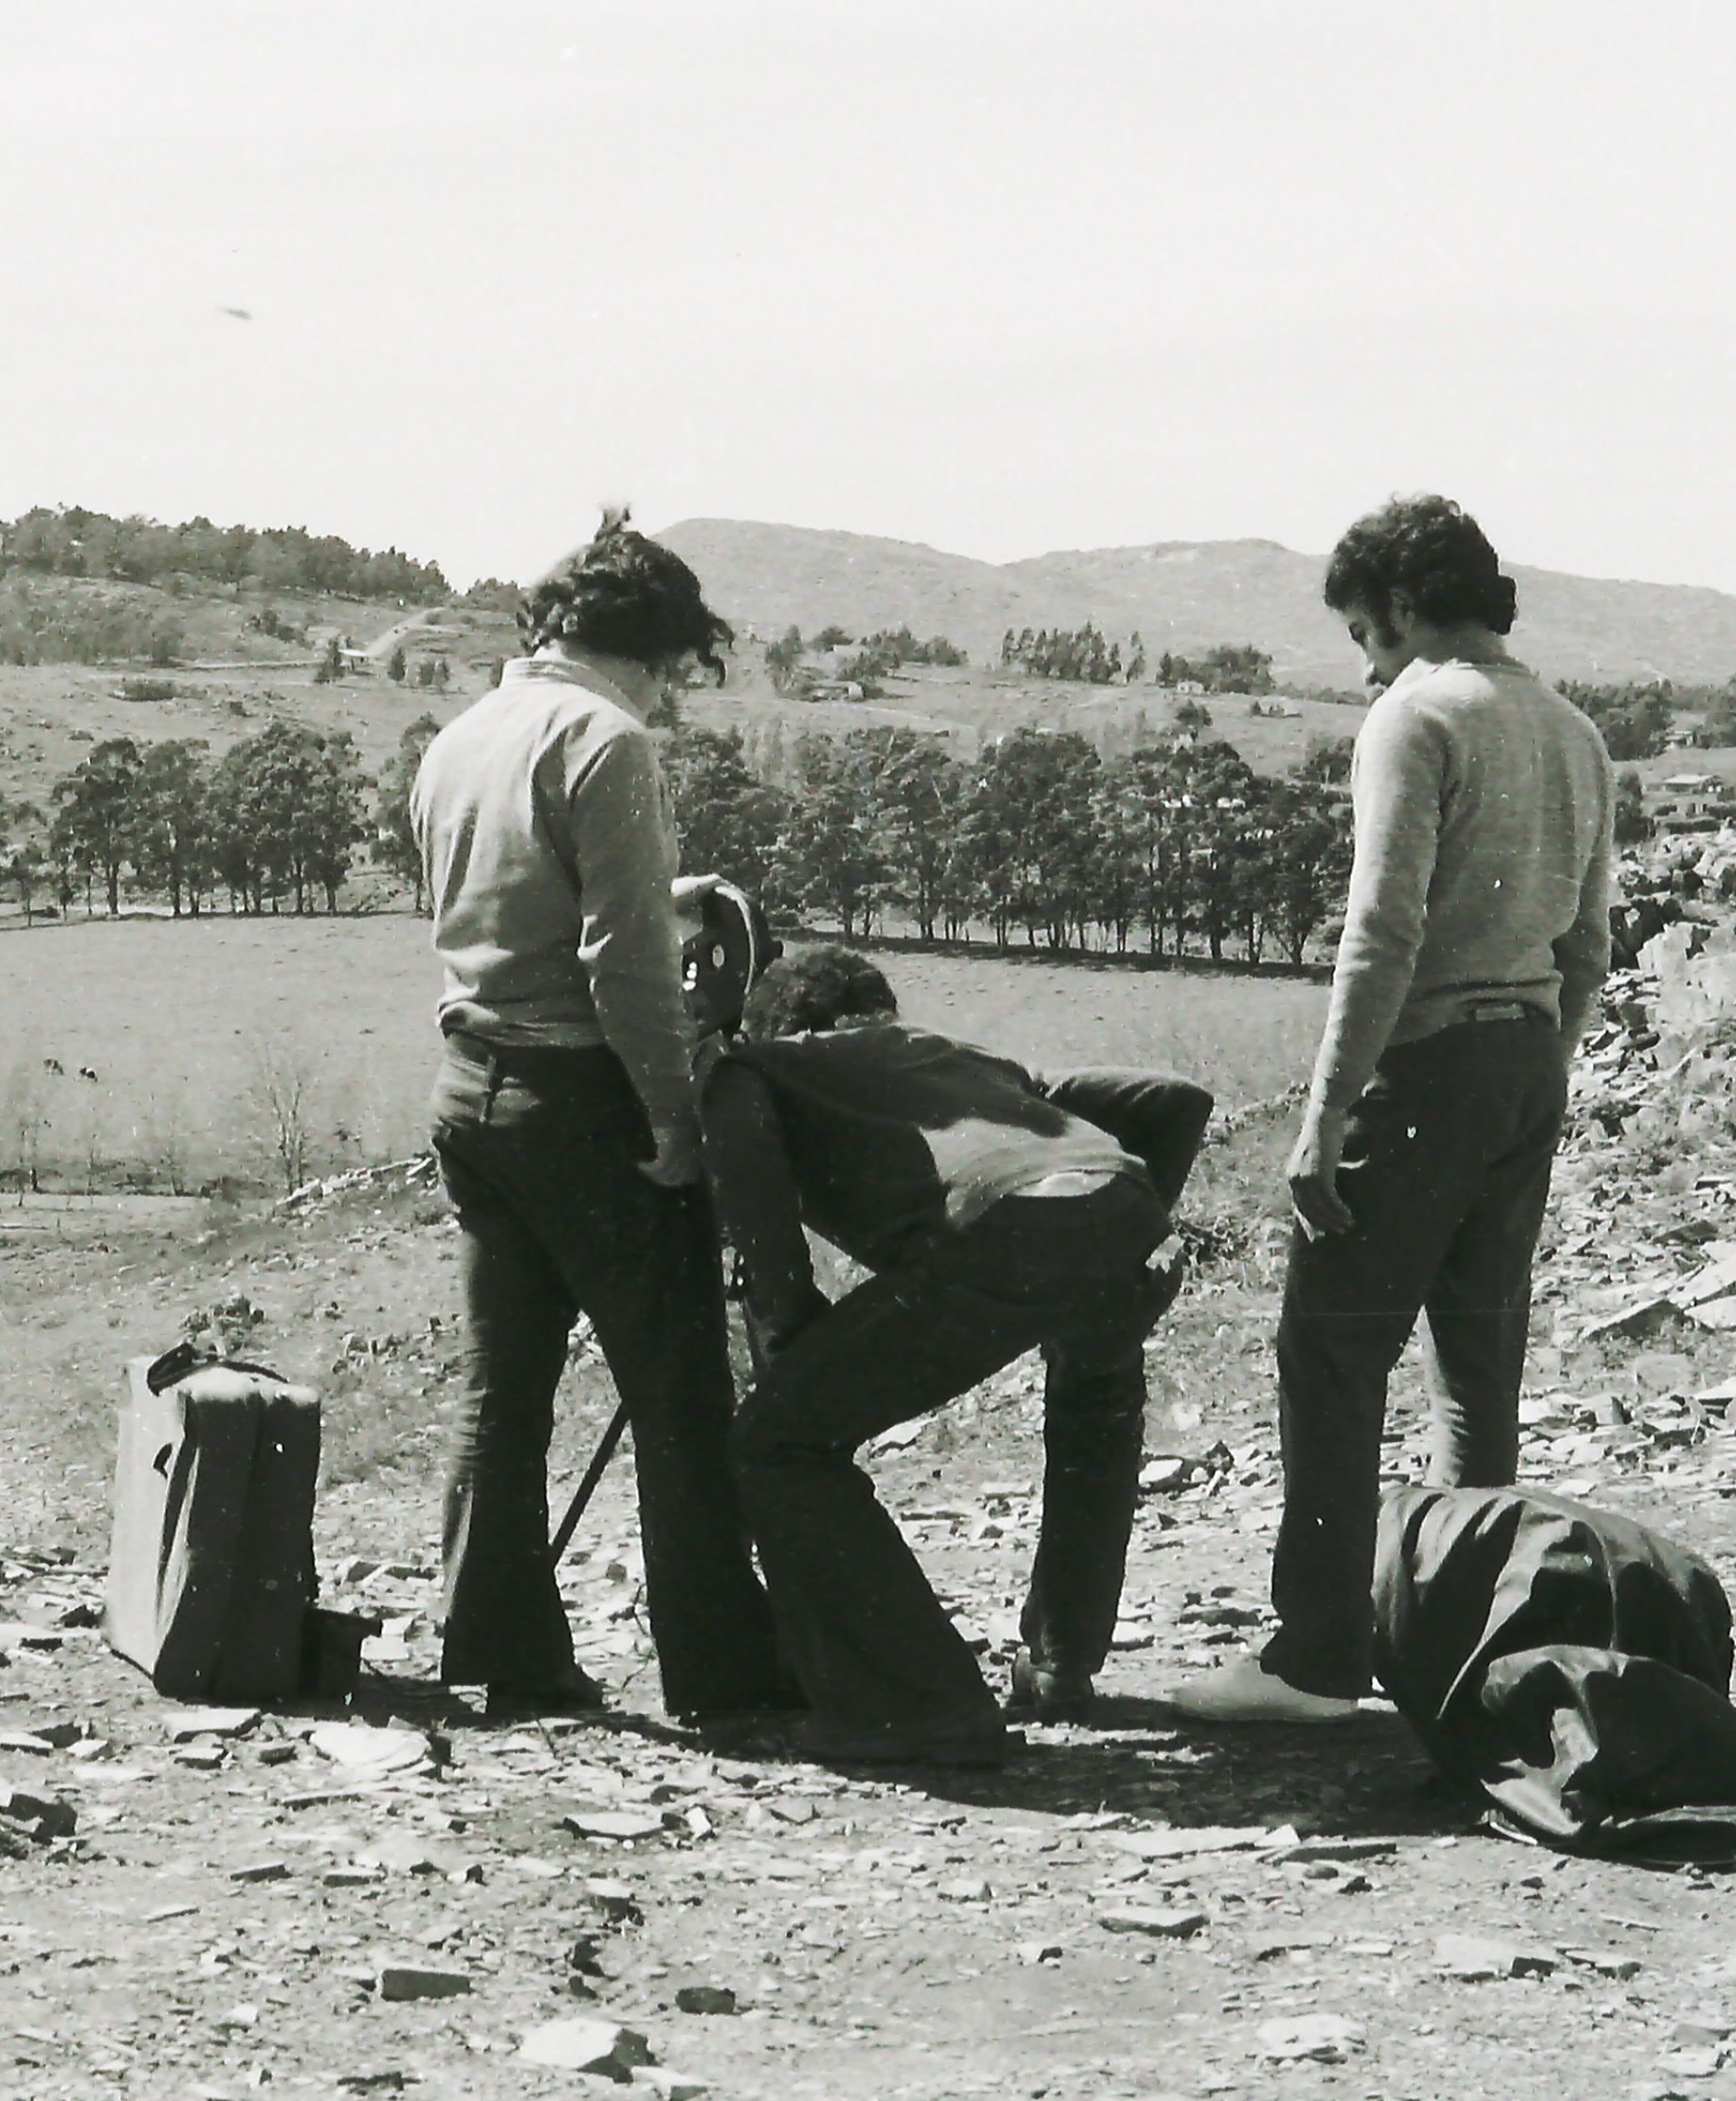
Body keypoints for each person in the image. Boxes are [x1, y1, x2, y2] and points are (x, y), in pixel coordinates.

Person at [1170, 494, 1616, 1725]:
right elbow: (1587, 947)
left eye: (1367, 631)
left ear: (1409, 609)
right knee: (1476, 1374)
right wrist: (1538, 1070)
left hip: (1423, 1070)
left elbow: (1381, 932)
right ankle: (1463, 1643)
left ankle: (1316, 1659)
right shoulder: (1573, 731)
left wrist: (1324, 1120)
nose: (1366, 659)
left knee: (1332, 1355)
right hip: (1527, 1057)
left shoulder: (1414, 713)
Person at [410, 509, 795, 1722]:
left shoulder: (461, 736)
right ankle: (723, 1674)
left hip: (472, 1082)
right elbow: (626, 960)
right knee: (679, 1385)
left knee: (501, 1386)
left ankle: (498, 1652)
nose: (677, 691)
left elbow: (511, 901)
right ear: (659, 645)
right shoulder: (606, 738)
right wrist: (674, 1119)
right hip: (582, 1093)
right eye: (680, 665)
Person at [704, 944, 1211, 1766]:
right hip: (1125, 1226)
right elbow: (1172, 1102)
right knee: (1093, 1400)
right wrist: (1109, 1237)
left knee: (777, 1444)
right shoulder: (964, 1058)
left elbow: (749, 1176)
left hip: (1004, 1236)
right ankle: (1060, 1665)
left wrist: (790, 1317)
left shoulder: (761, 1064)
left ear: (785, 1027)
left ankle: (921, 1708)